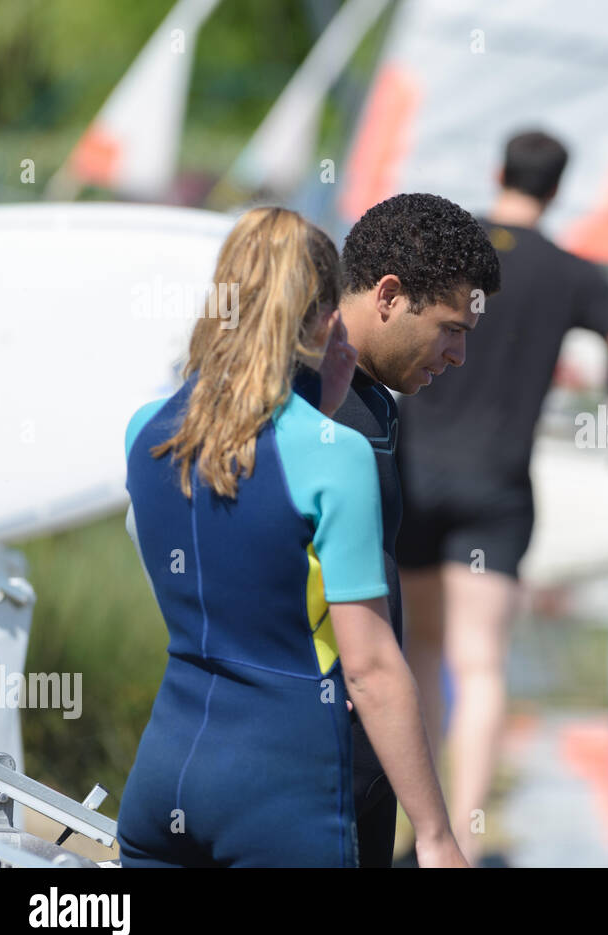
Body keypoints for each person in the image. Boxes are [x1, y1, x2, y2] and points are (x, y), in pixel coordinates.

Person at [117, 207, 464, 867]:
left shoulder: (145, 430)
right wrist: (438, 834)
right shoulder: (334, 455)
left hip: (164, 775)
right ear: (326, 318)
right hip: (280, 790)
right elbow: (370, 668)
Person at [396, 129, 608, 864]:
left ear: (498, 172)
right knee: (482, 662)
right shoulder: (571, 271)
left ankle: (416, 829)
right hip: (498, 487)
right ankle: (461, 832)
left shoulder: (446, 257)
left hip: (416, 473)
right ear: (557, 189)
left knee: (421, 653)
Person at [292, 192, 501, 867]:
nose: (460, 354)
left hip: (363, 757)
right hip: (307, 759)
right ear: (388, 294)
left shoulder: (372, 394)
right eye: (450, 327)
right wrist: (436, 833)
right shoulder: (299, 398)